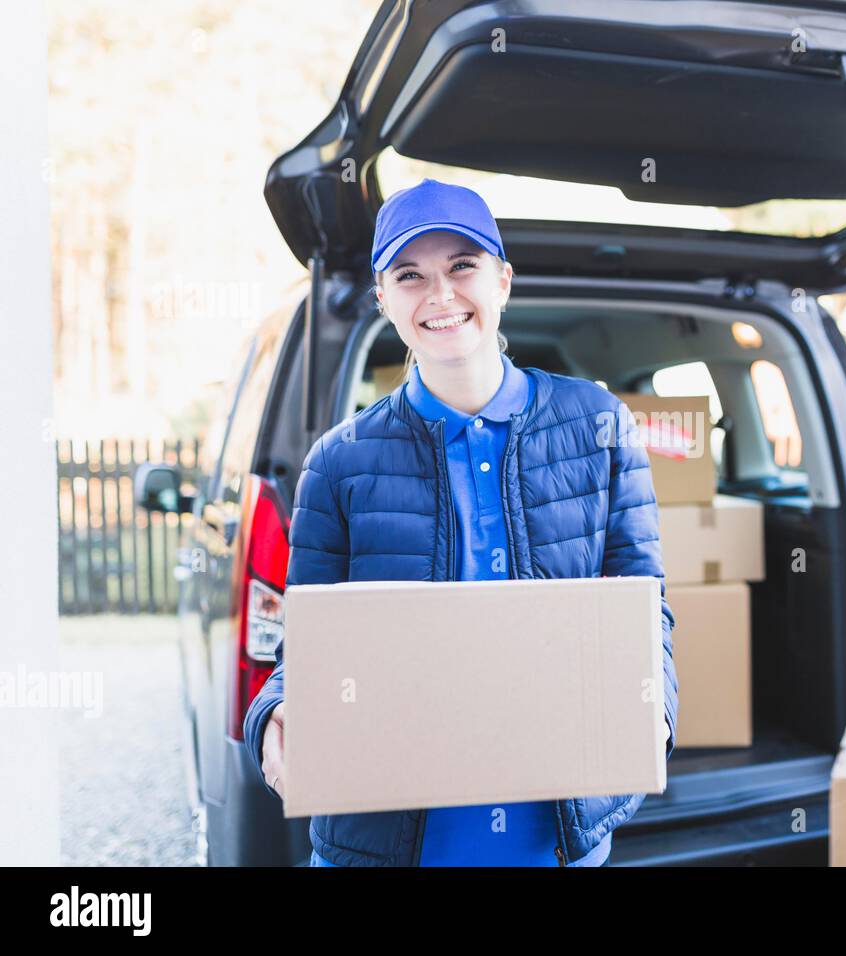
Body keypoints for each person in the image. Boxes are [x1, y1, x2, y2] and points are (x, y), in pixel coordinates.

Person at [242, 178, 678, 866]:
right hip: (390, 840)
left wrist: (653, 708)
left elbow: (643, 605)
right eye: (410, 276)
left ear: (503, 279)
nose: (439, 296)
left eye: (462, 267)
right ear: (383, 298)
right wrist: (274, 719)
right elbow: (308, 651)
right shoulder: (338, 463)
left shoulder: (597, 424)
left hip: (552, 836)